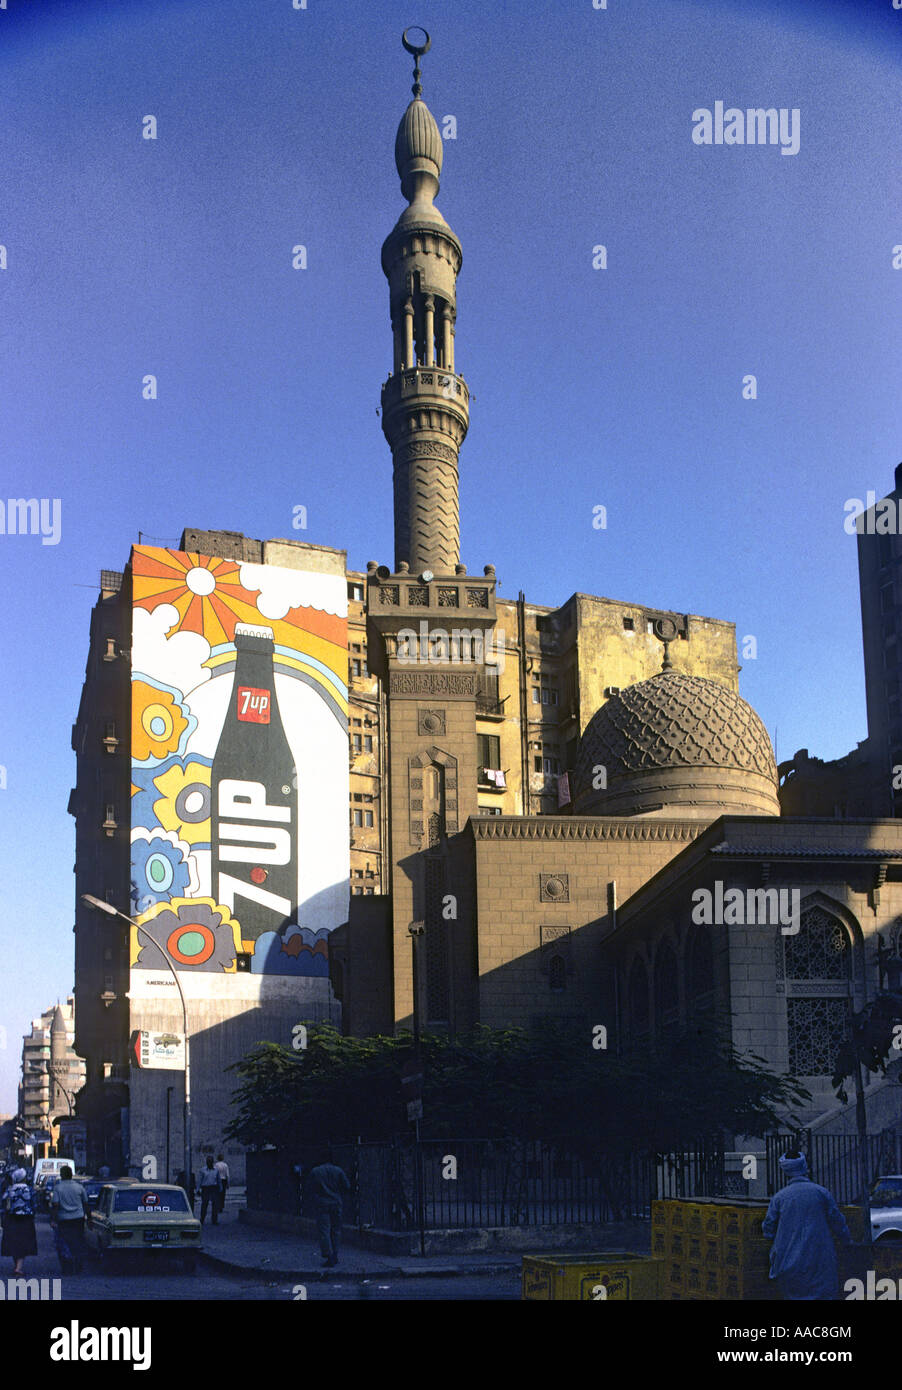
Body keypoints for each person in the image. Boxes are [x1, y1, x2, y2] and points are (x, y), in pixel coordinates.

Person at [762, 1150, 853, 1300]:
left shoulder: (779, 1198)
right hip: (820, 1260)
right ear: (804, 1167)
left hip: (788, 1261)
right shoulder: (821, 1193)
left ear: (785, 1171)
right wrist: (847, 1241)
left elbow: (768, 1230)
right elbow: (838, 1222)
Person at [308, 1151, 350, 1268]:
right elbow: (347, 1186)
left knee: (324, 1230)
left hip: (322, 1203)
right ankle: (335, 1254)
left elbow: (310, 1188)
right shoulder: (338, 1170)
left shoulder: (316, 1171)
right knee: (336, 1230)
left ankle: (329, 1255)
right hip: (336, 1202)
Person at [50, 1165, 89, 1274]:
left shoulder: (58, 1188)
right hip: (78, 1218)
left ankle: (67, 1267)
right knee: (78, 1242)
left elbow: (55, 1205)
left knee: (64, 1243)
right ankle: (78, 1266)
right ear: (71, 1175)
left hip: (64, 1219)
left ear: (62, 1175)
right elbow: (85, 1203)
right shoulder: (79, 1187)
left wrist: (53, 1219)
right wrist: (88, 1218)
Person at [1, 1168, 37, 1276]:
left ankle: (17, 1265)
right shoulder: (29, 1190)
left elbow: (4, 1204)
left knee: (14, 1243)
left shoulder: (9, 1190)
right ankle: (18, 1268)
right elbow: (34, 1205)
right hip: (26, 1219)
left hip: (11, 1219)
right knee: (24, 1243)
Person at [198, 1155, 221, 1225]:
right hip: (205, 1189)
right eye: (208, 1161)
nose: (209, 1163)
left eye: (211, 1161)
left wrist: (220, 1188)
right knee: (204, 1204)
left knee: (215, 1205)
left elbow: (218, 1180)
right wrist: (198, 1189)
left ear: (212, 1162)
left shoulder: (216, 1170)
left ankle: (214, 1220)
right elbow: (199, 1180)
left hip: (213, 1188)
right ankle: (202, 1219)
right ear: (206, 1162)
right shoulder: (202, 1170)